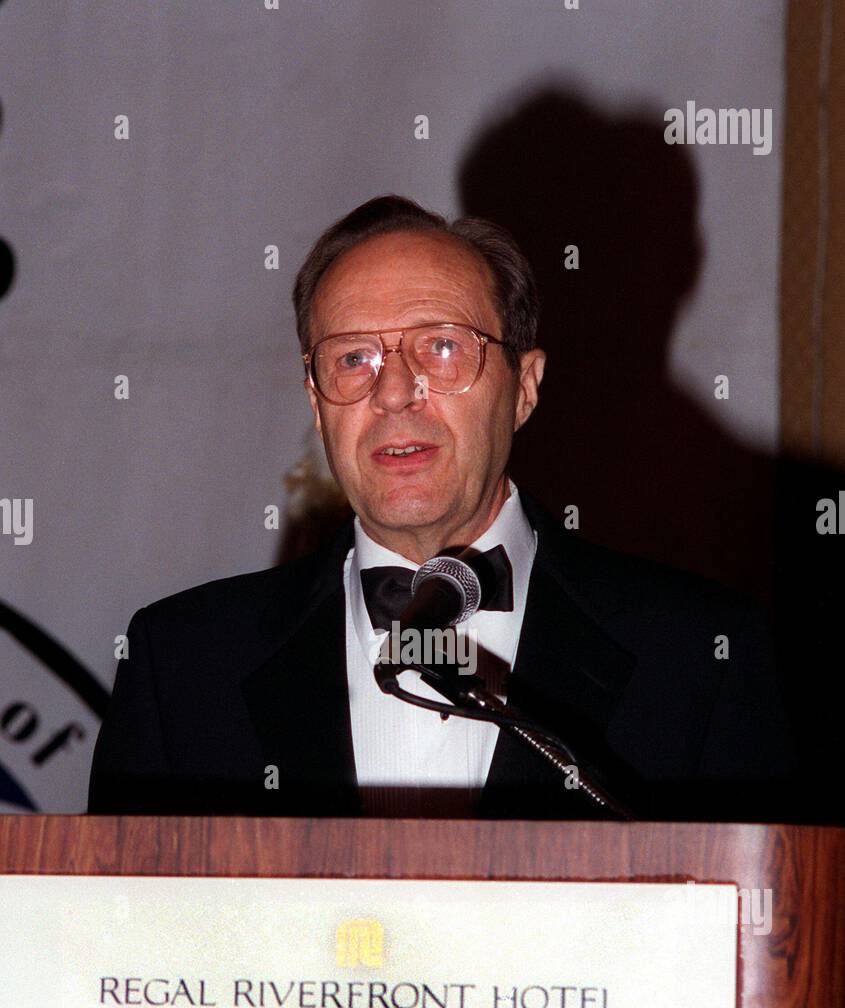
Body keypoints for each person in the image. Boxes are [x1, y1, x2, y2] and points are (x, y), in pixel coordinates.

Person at [87, 195, 794, 820]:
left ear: (524, 387)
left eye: (443, 348)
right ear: (315, 401)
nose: (394, 393)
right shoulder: (181, 666)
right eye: (353, 359)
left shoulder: (697, 658)